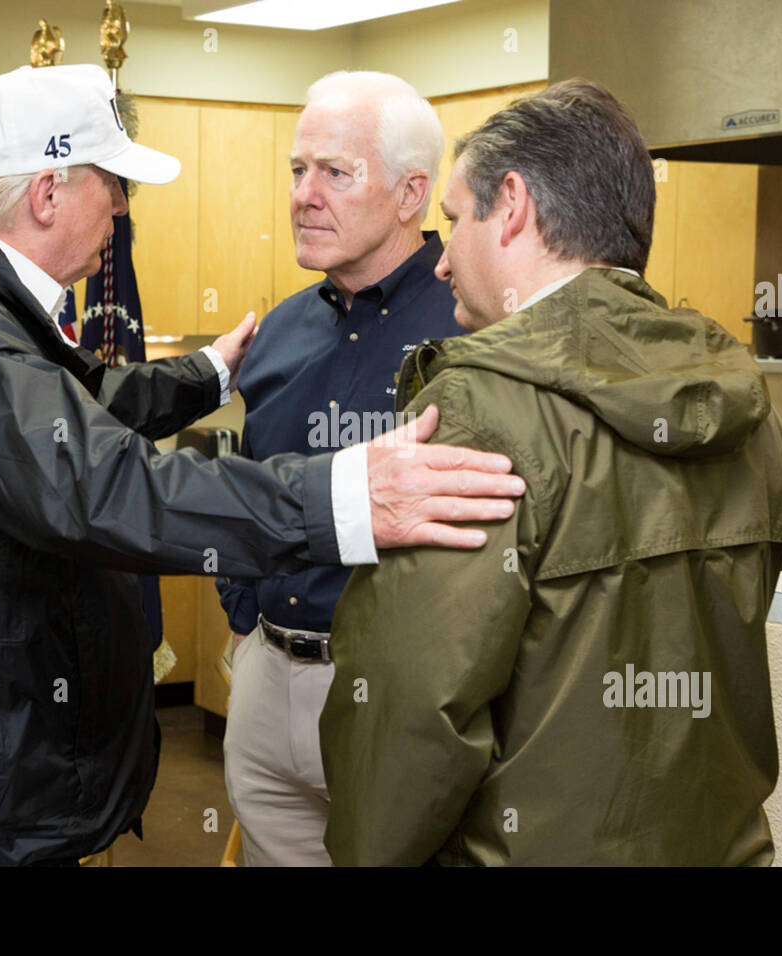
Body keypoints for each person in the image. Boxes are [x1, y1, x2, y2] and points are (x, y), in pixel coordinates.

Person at [0, 63, 524, 866]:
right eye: (115, 188)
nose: (121, 211)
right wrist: (347, 497)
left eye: (332, 171)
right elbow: (99, 481)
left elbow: (70, 413)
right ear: (48, 194)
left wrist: (207, 373)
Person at [319, 79, 782, 866]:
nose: (440, 265)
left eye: (453, 221)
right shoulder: (741, 399)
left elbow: (411, 708)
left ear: (510, 205)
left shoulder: (481, 409)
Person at [216, 71, 462, 866]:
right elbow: (246, 486)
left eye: (334, 172)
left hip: (390, 691)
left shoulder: (469, 328)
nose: (303, 195)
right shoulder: (280, 330)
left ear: (409, 193)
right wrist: (243, 613)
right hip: (266, 673)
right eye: (297, 170)